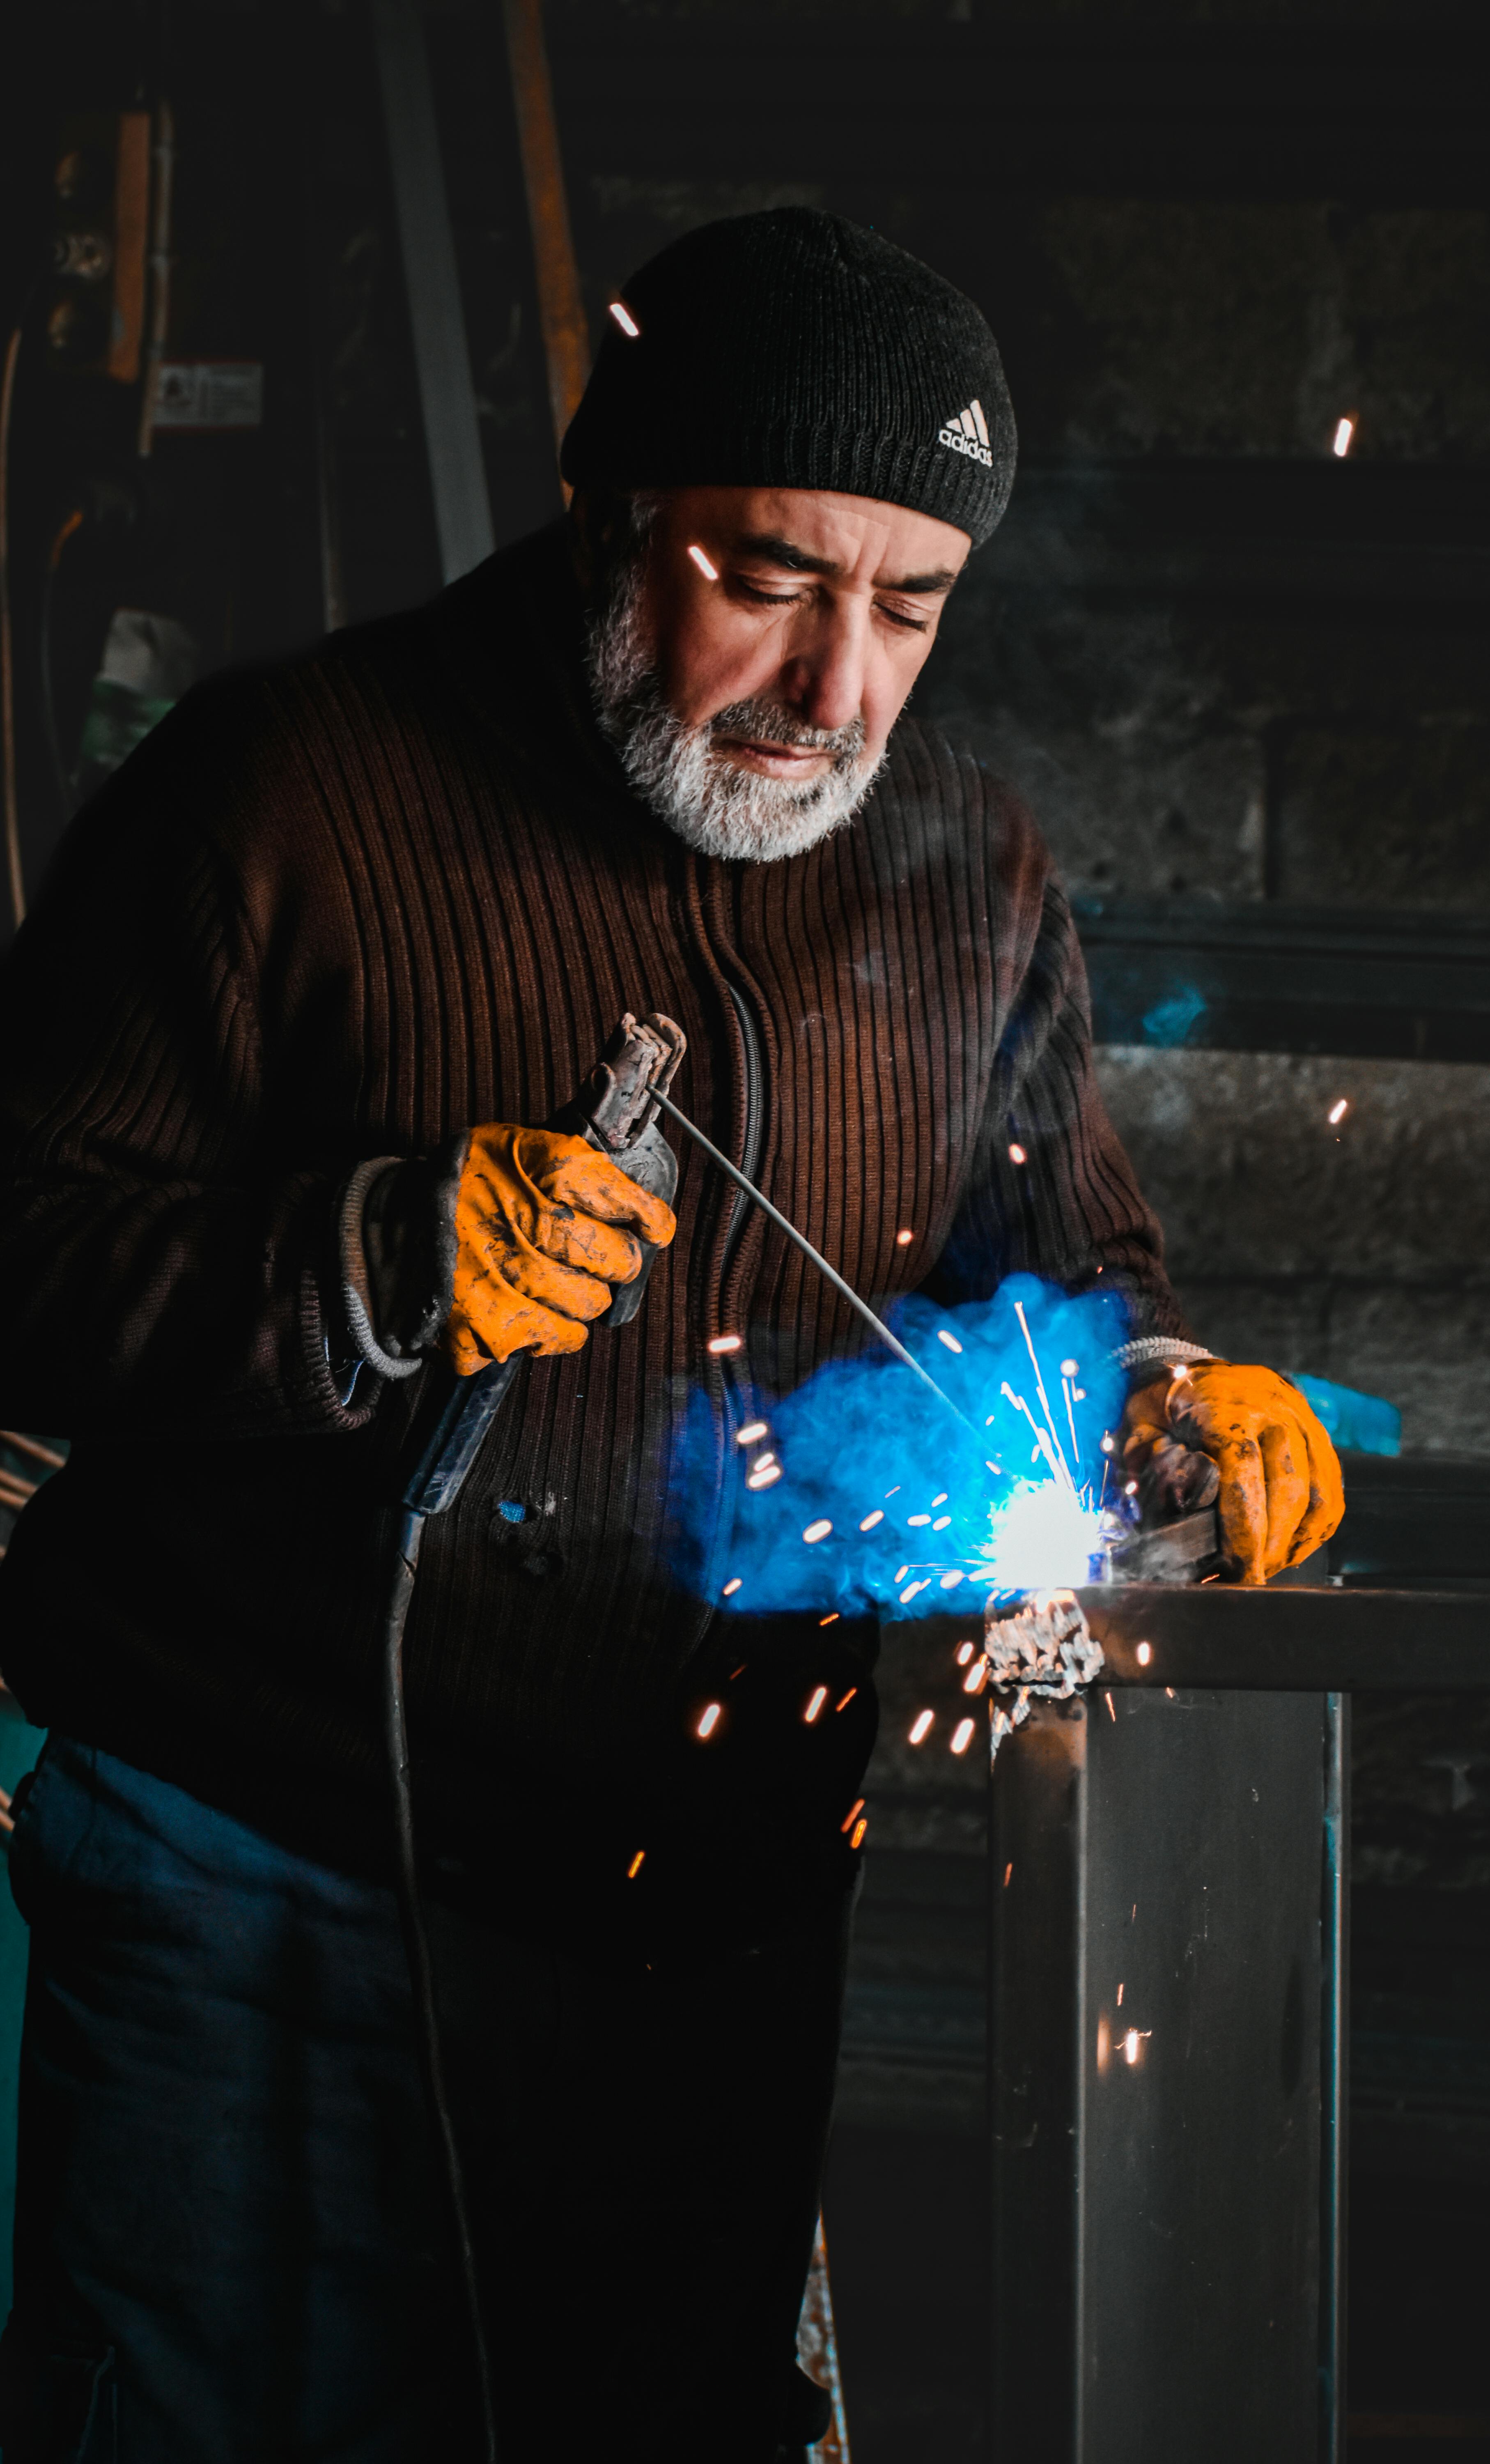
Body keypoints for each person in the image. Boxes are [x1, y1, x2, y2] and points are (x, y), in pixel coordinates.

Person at [0, 209, 1343, 2460]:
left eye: (909, 607)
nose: (838, 691)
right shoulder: (281, 802)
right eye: (767, 579)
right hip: (256, 1882)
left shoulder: (963, 869)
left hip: (704, 1913)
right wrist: (371, 1258)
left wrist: (1171, 1404)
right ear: (609, 512)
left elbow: (1076, 1272)